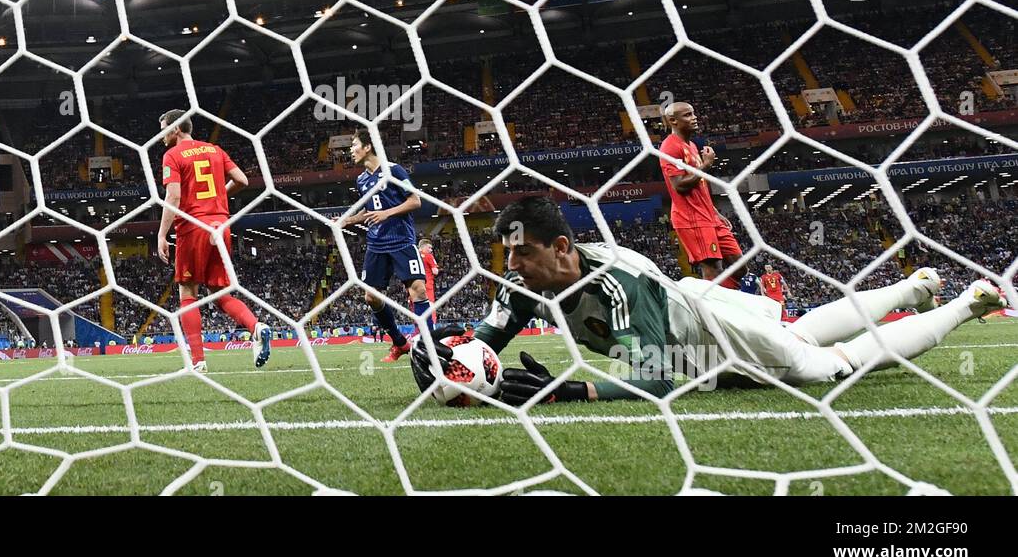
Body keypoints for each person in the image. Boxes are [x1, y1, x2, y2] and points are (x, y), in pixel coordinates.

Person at [412, 196, 1005, 405]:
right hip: (687, 306)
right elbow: (486, 338)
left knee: (830, 365)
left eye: (523, 255)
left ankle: (961, 306)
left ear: (563, 247)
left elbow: (662, 380)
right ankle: (914, 286)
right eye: (507, 256)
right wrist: (443, 360)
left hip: (715, 343)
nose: (511, 268)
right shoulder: (528, 280)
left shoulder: (616, 283)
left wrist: (572, 389)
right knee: (805, 328)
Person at [156, 109, 271, 372]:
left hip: (192, 226)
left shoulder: (172, 155)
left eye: (163, 130)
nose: (160, 136)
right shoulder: (214, 149)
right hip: (220, 226)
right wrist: (219, 196)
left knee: (187, 292)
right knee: (220, 293)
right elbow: (242, 180)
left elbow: (173, 197)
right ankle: (256, 327)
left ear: (175, 130)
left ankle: (198, 361)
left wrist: (162, 234)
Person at [336, 129, 426, 362]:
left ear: (368, 147)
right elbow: (370, 210)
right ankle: (399, 343)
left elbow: (415, 200)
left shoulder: (393, 170)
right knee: (371, 297)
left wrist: (387, 213)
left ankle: (429, 344)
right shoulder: (362, 179)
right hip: (376, 244)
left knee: (418, 290)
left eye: (354, 144)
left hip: (400, 240)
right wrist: (347, 220)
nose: (350, 150)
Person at [660, 101, 742, 288]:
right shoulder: (670, 147)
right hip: (692, 218)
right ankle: (717, 310)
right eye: (687, 115)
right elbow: (679, 185)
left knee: (739, 266)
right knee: (713, 270)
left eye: (693, 113)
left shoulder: (691, 146)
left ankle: (728, 301)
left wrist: (715, 211)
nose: (694, 118)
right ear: (673, 120)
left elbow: (699, 187)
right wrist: (705, 165)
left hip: (708, 215)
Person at [418, 238, 440, 331]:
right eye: (429, 248)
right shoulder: (429, 256)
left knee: (418, 307)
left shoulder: (415, 256)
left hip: (416, 285)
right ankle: (432, 330)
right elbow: (435, 272)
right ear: (423, 247)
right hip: (427, 285)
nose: (431, 250)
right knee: (430, 307)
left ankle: (420, 331)